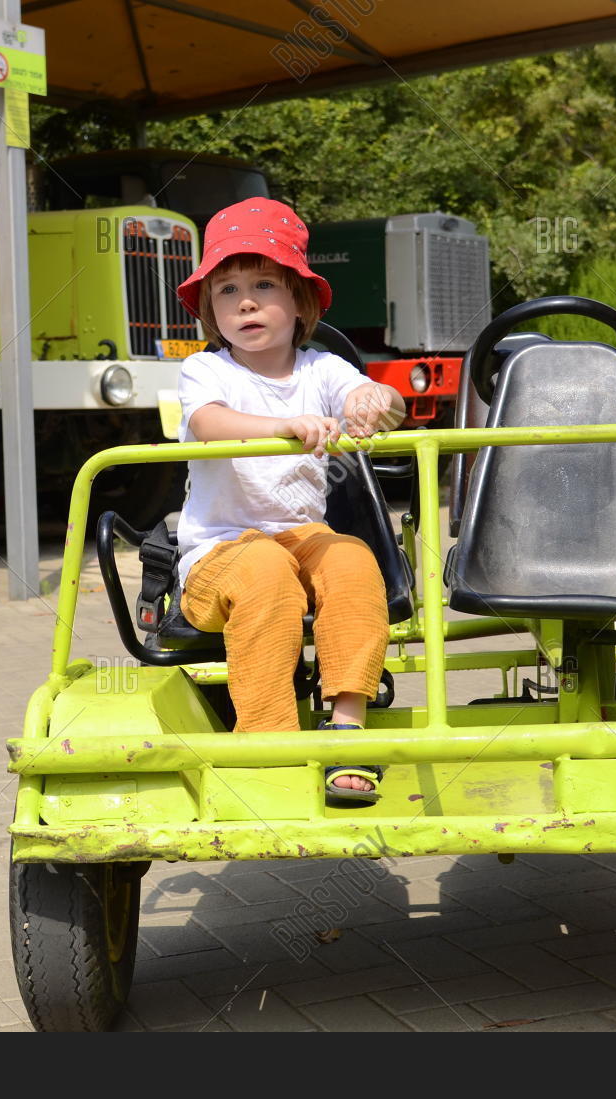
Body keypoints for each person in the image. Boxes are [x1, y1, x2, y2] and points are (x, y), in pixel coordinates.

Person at [173, 197, 405, 806]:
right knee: (264, 569)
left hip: (299, 541)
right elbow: (208, 423)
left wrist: (371, 402)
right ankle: (267, 738)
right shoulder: (207, 372)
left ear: (300, 301)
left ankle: (348, 727)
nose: (244, 302)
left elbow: (376, 397)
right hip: (218, 553)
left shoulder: (322, 369)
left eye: (264, 284)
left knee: (353, 558)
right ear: (209, 310)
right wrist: (286, 427)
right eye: (226, 290)